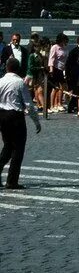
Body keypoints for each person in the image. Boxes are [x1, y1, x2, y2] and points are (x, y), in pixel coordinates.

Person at [0, 57, 41, 189]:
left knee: (7, 146)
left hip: (2, 115)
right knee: (18, 149)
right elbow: (29, 104)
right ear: (18, 69)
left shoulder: (1, 81)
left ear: (7, 67)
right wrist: (36, 122)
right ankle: (12, 181)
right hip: (15, 116)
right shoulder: (19, 82)